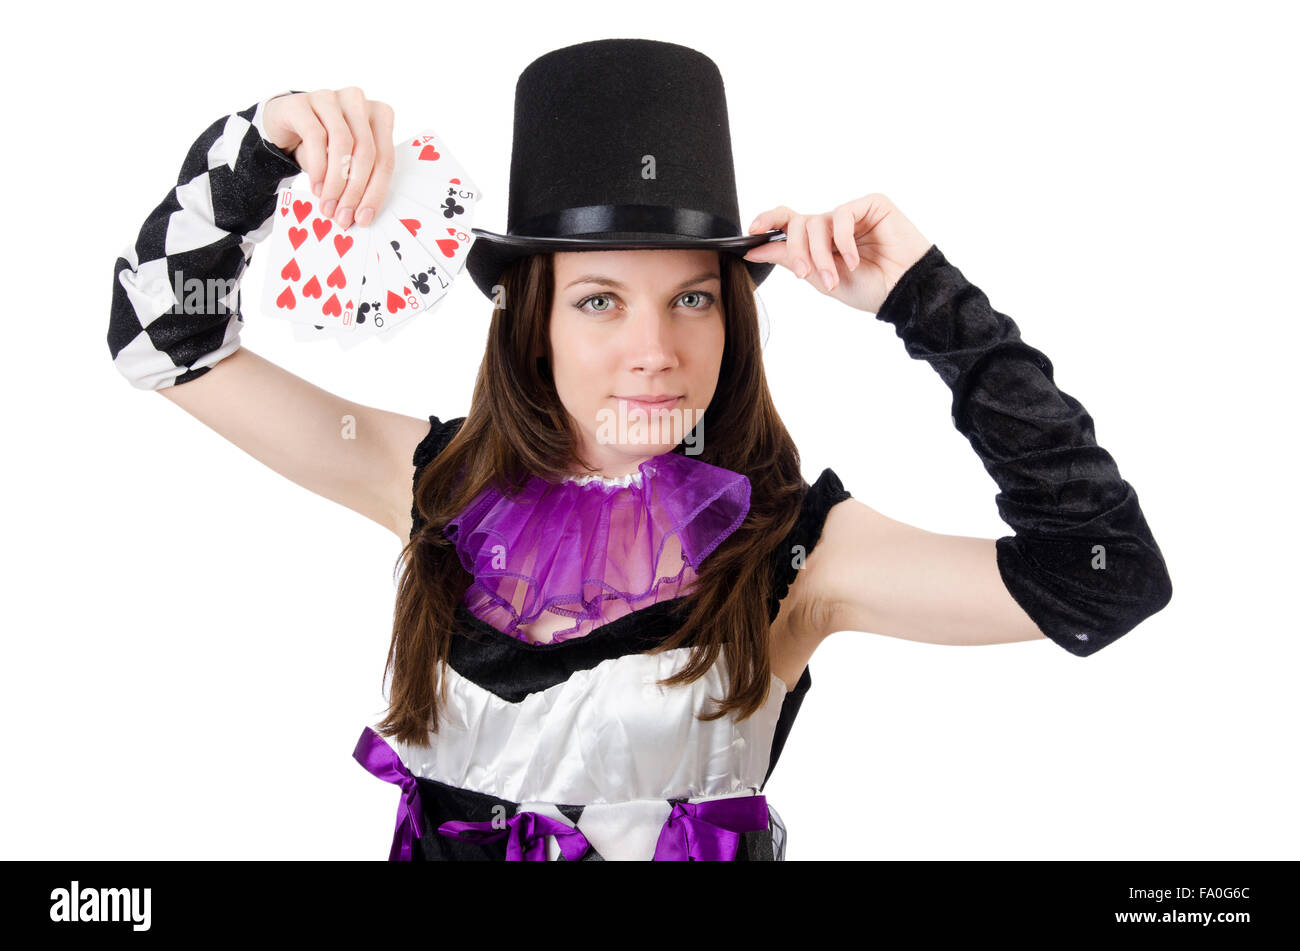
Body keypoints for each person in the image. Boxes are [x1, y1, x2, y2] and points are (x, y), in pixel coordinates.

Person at [107, 39, 1173, 861]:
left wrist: (927, 302)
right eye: (601, 300)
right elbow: (162, 342)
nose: (654, 351)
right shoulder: (432, 484)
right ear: (533, 319)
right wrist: (260, 143)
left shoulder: (797, 553)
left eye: (693, 298)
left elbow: (1102, 578)